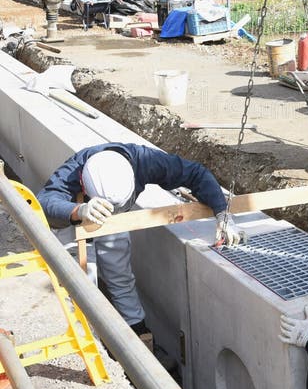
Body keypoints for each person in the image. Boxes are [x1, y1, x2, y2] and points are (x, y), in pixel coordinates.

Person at [38, 142, 242, 339]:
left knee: (118, 272)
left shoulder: (143, 161)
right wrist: (78, 210)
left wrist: (222, 212)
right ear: (83, 182)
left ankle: (135, 330)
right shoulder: (75, 169)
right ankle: (88, 336)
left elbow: (196, 173)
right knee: (80, 279)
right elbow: (45, 200)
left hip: (115, 219)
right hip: (74, 220)